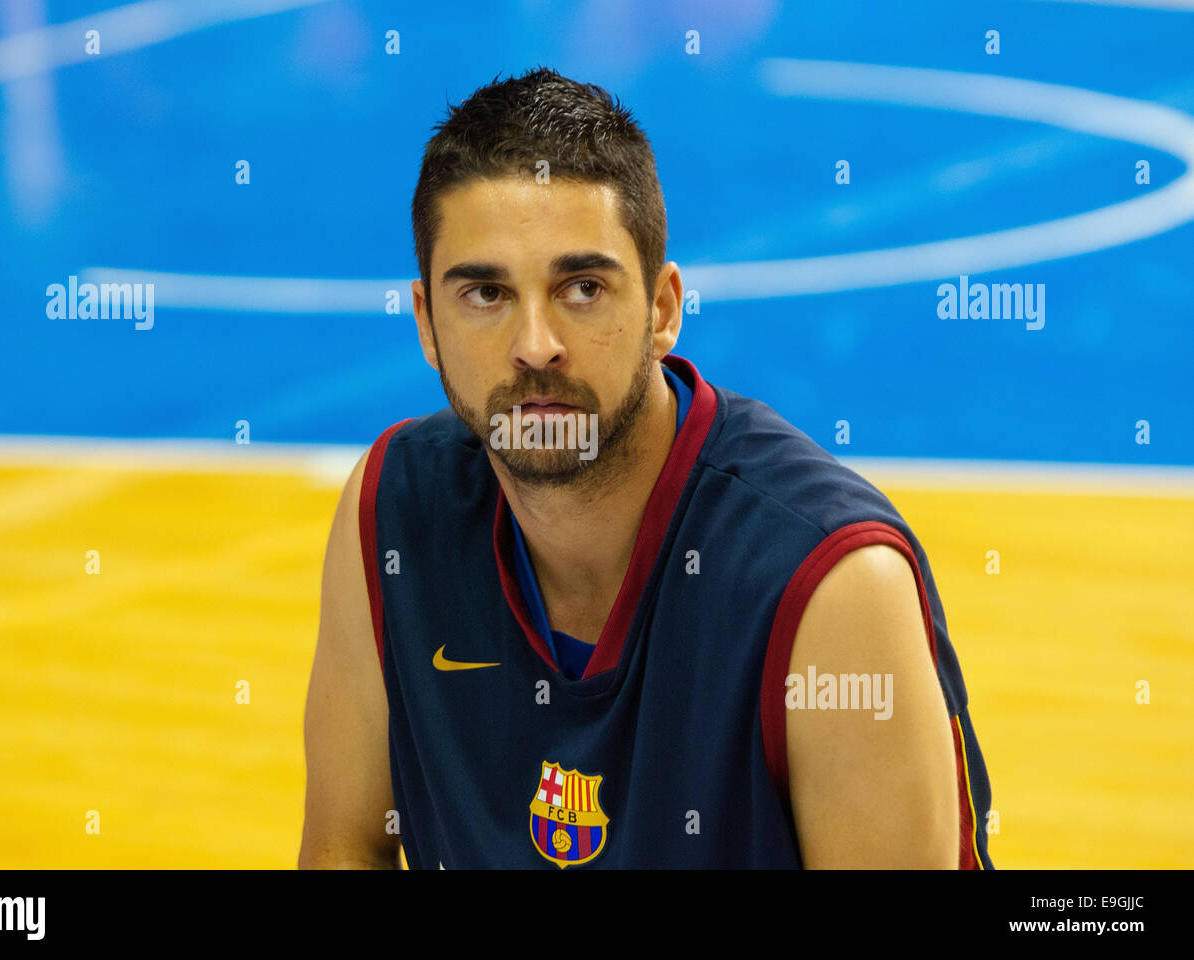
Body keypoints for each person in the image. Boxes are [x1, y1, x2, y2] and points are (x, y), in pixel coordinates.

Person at [298, 66, 993, 869]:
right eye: (485, 295)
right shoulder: (390, 511)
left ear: (663, 309)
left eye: (582, 287)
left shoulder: (830, 584)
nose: (534, 344)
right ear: (426, 323)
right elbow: (344, 851)